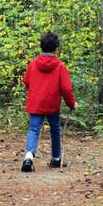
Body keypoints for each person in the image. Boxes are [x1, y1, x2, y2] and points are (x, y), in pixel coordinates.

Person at [21, 31, 76, 172]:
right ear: (56, 48)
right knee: (55, 130)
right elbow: (66, 88)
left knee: (34, 129)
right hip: (52, 103)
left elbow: (26, 81)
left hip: (36, 102)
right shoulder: (59, 66)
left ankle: (28, 157)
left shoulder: (33, 64)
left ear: (41, 46)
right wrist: (72, 104)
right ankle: (56, 158)